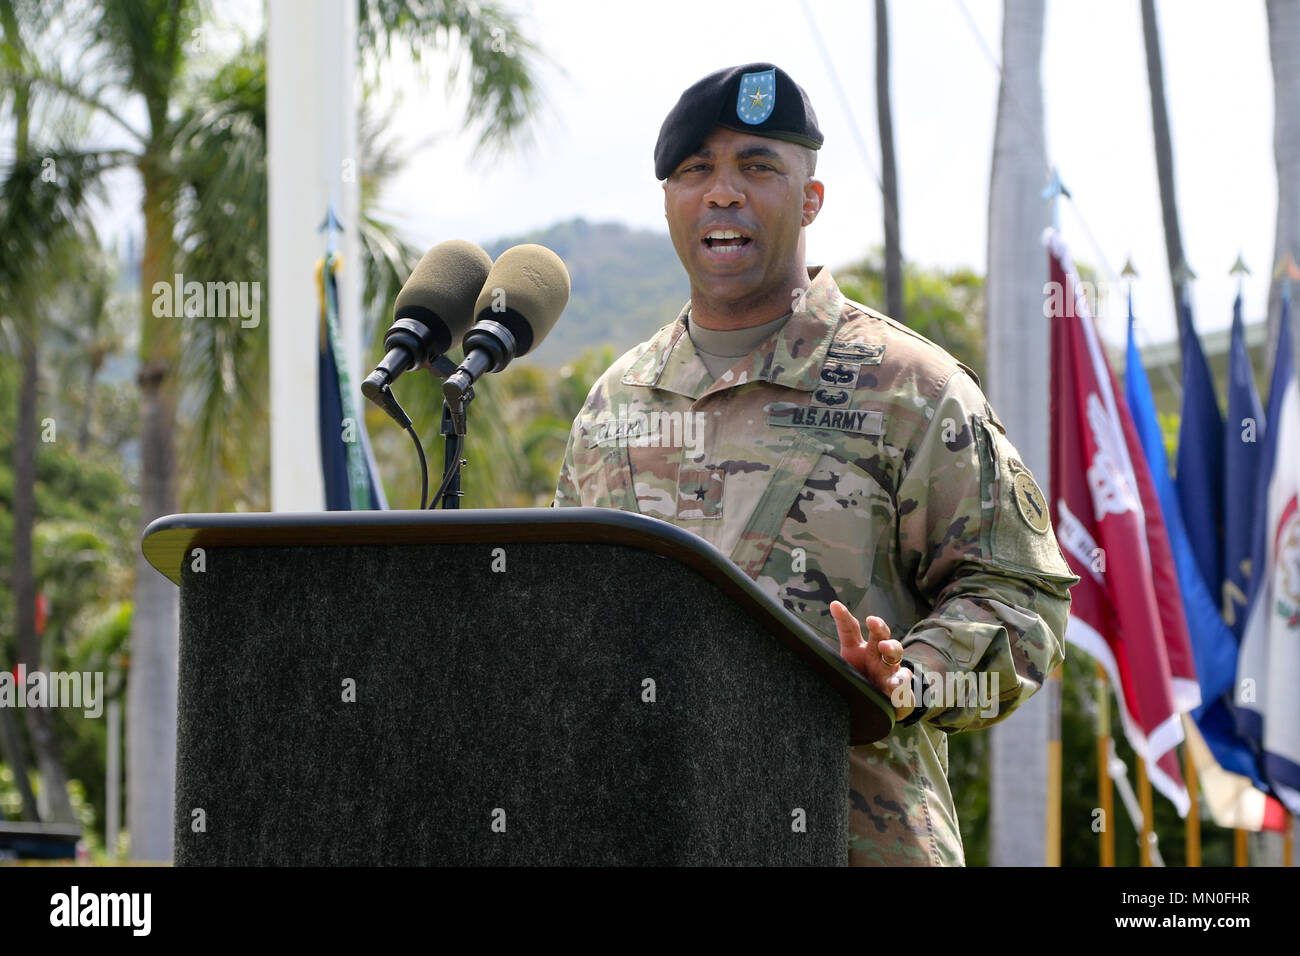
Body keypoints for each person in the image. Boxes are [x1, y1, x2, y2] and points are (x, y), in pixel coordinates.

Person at [551, 62, 1077, 865]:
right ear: (668, 203)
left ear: (810, 201)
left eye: (757, 167)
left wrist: (913, 676)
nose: (723, 192)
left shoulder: (911, 387)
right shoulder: (615, 403)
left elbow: (1022, 599)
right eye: (697, 170)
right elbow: (567, 624)